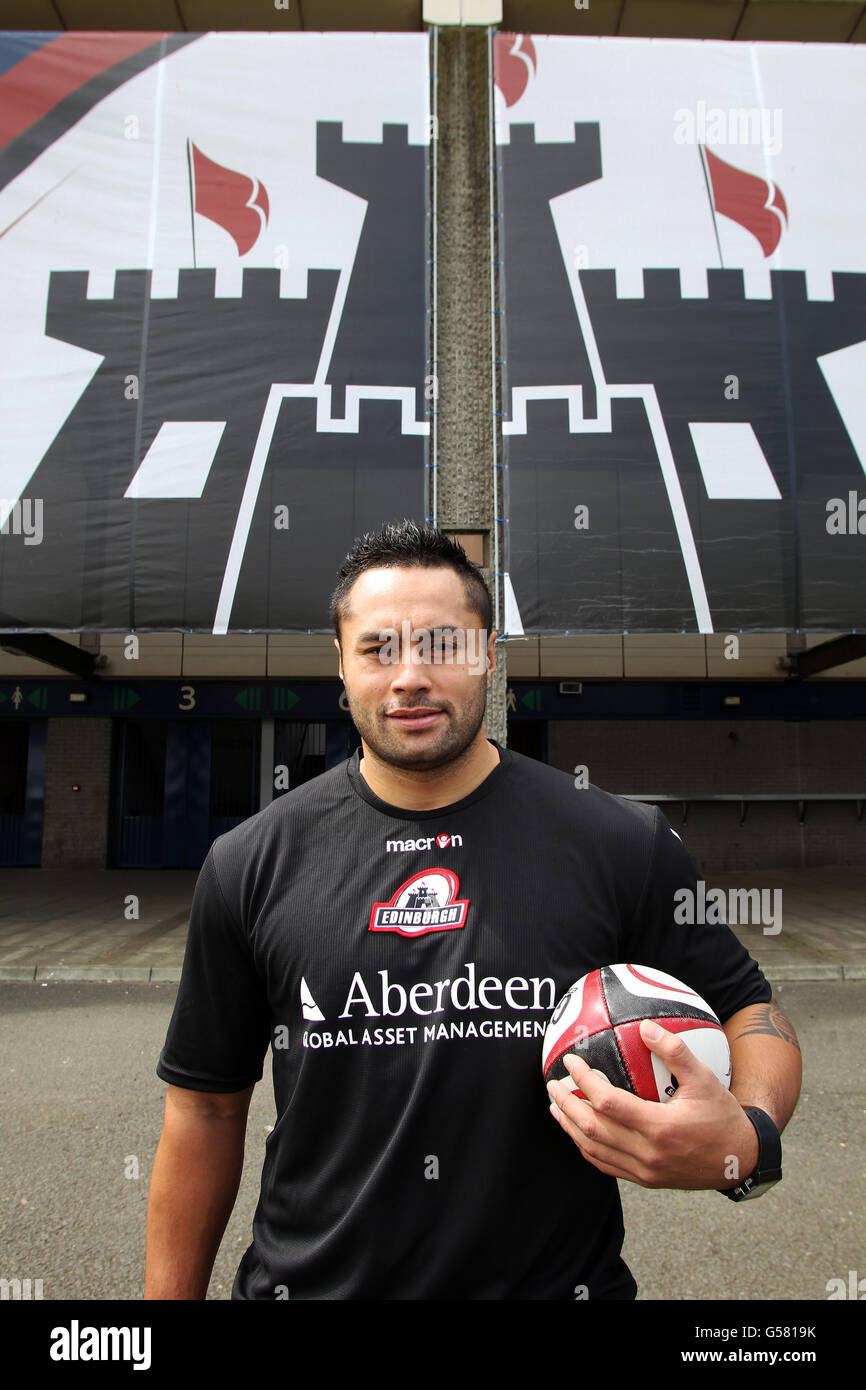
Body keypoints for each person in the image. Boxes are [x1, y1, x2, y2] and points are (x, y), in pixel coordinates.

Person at [145, 520, 802, 1300]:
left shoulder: (620, 841)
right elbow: (206, 1110)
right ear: (342, 665)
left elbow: (748, 1009)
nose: (411, 677)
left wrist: (748, 1137)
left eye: (444, 645)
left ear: (489, 654)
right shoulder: (250, 863)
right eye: (379, 648)